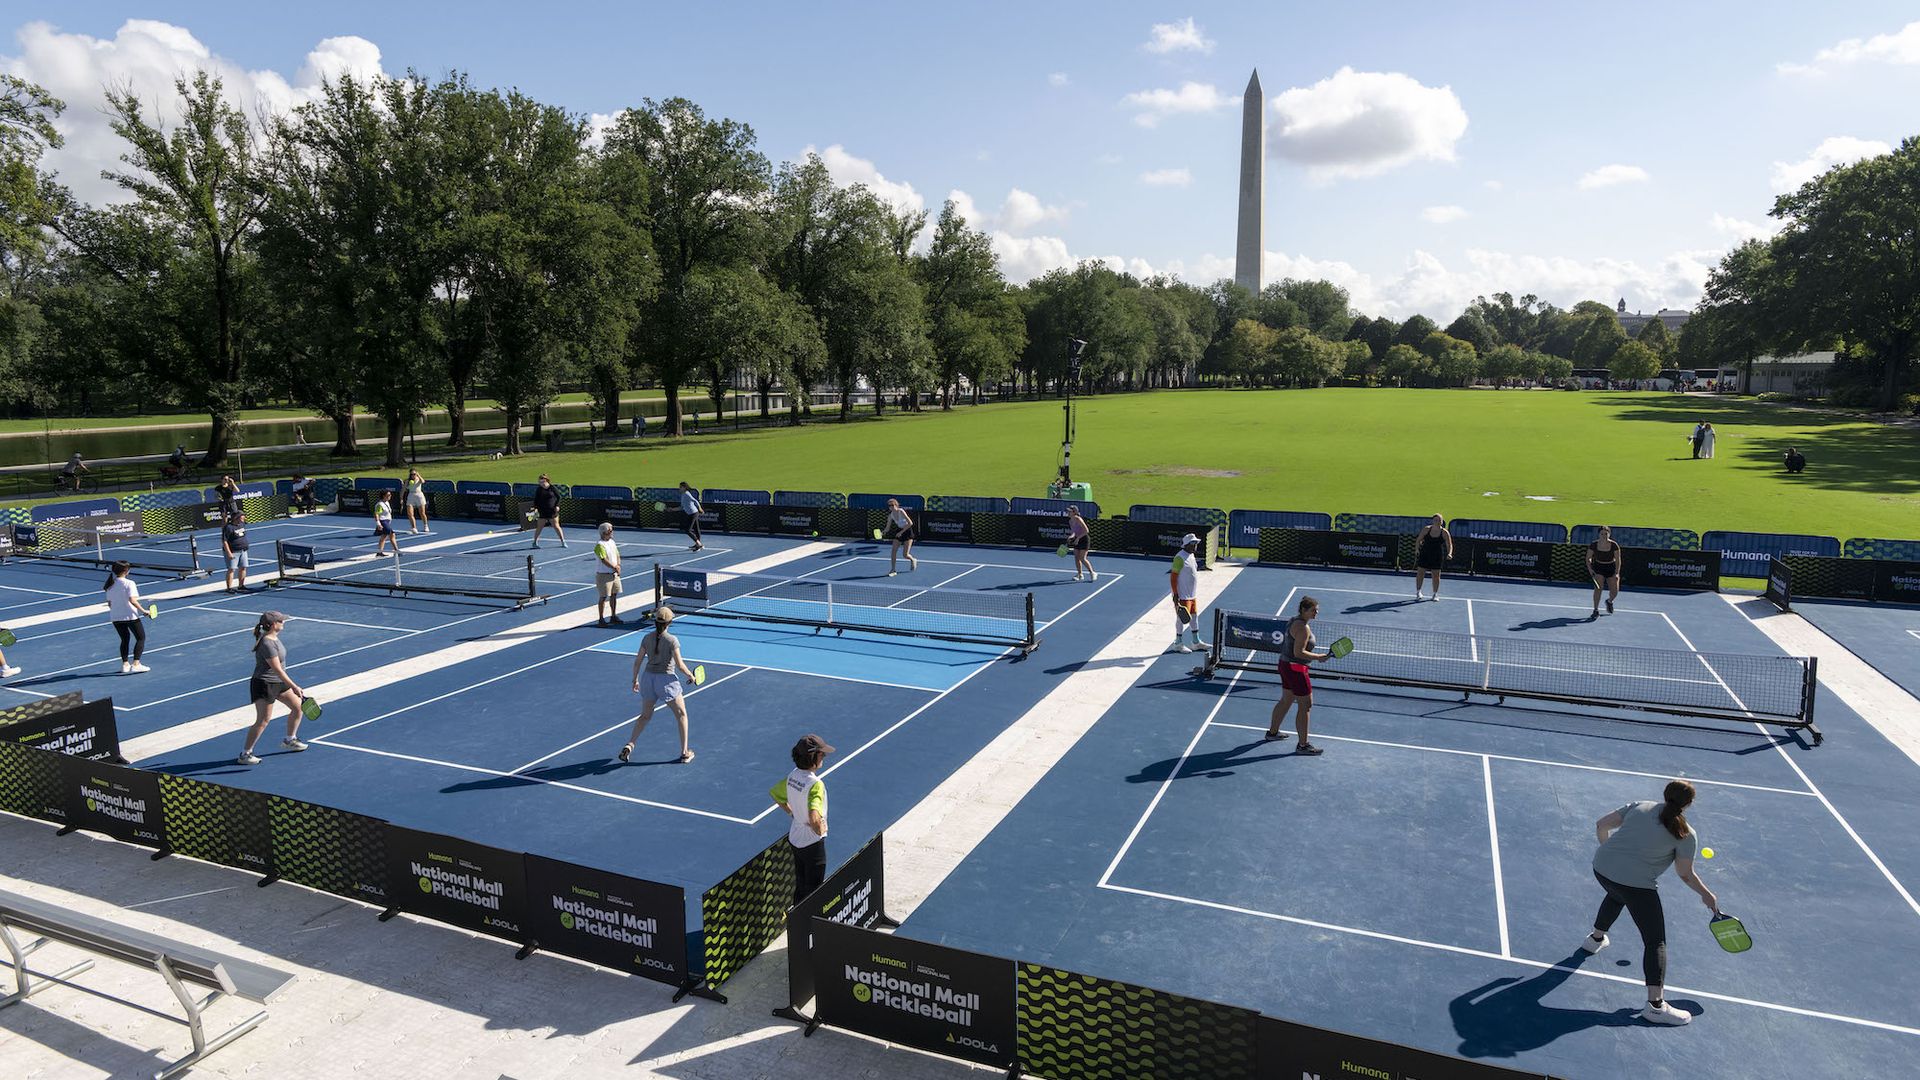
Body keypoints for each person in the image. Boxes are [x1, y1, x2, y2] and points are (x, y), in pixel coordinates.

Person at [1581, 780, 1719, 1027]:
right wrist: (1706, 895)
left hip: (1601, 868)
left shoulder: (1639, 806)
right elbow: (1685, 874)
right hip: (1636, 886)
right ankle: (1655, 1006)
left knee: (1617, 893)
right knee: (1655, 941)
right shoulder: (1686, 834)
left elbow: (1601, 825)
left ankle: (1595, 939)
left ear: (1665, 794)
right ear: (1689, 804)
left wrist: (1611, 853)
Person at [621, 606, 696, 764]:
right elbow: (680, 665)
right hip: (666, 681)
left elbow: (637, 662)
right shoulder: (672, 640)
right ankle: (684, 753)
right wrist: (690, 675)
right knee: (682, 715)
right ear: (669, 623)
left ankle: (630, 744)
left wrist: (635, 680)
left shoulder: (646, 638)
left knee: (645, 716)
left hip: (648, 680)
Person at [235, 611, 307, 765]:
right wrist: (294, 686)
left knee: (297, 707)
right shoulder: (267, 643)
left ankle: (290, 740)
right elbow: (277, 670)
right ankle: (245, 754)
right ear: (273, 624)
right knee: (263, 720)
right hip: (264, 684)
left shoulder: (274, 638)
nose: (284, 622)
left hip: (278, 682)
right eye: (281, 621)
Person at [1264, 595, 1333, 755]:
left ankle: (1272, 733)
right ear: (1304, 610)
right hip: (1296, 669)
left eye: (1317, 610)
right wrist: (1319, 657)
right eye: (1313, 610)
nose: (1316, 613)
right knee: (1306, 705)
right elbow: (1298, 652)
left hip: (1285, 665)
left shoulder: (1293, 620)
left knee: (1286, 700)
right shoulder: (1303, 628)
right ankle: (1303, 745)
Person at [771, 734, 834, 904]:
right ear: (812, 757)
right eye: (821, 754)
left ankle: (796, 917)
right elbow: (814, 817)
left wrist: (793, 814)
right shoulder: (815, 784)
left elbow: (776, 794)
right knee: (814, 890)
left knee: (801, 884)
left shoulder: (793, 776)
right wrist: (819, 829)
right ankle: (809, 919)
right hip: (812, 842)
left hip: (796, 836)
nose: (824, 756)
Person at [103, 561, 150, 675]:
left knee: (124, 639)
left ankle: (125, 665)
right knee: (141, 638)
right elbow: (132, 600)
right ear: (126, 571)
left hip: (116, 617)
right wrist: (144, 611)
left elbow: (110, 604)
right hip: (130, 616)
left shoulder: (110, 585)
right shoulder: (130, 583)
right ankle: (136, 664)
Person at [1167, 534, 1208, 654]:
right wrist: (1175, 594)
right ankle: (1178, 643)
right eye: (1193, 543)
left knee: (1194, 617)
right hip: (1182, 595)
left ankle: (1196, 642)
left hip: (1192, 595)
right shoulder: (1179, 558)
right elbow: (1173, 578)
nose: (1195, 546)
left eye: (1196, 543)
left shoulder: (1191, 556)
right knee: (1181, 619)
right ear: (1186, 545)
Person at [1586, 525, 1623, 618]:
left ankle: (1609, 601)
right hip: (1598, 567)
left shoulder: (1614, 545)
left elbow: (1618, 560)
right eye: (1602, 534)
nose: (1604, 536)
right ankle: (1595, 610)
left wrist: (1617, 573)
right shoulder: (1594, 545)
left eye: (1606, 534)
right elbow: (1588, 558)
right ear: (1599, 534)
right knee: (1598, 588)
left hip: (1611, 567)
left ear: (1609, 534)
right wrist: (1590, 569)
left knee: (1614, 591)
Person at [1413, 515, 1453, 600]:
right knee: (1420, 573)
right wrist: (1416, 549)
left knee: (1436, 575)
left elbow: (1449, 544)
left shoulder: (1444, 532)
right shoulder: (1426, 529)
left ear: (1442, 522)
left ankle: (1435, 594)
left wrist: (1450, 553)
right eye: (1435, 520)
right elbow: (1418, 540)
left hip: (1437, 556)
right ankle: (1418, 592)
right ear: (1432, 521)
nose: (1437, 522)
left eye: (1439, 520)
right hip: (1424, 554)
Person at [593, 522, 623, 627]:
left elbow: (617, 555)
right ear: (604, 532)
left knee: (614, 595)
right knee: (603, 597)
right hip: (604, 575)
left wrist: (618, 565)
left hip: (614, 574)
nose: (612, 532)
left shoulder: (612, 542)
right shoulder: (599, 545)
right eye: (610, 530)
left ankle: (613, 616)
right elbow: (603, 559)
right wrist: (615, 567)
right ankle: (601, 619)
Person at [530, 474, 566, 547]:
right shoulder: (539, 489)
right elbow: (536, 499)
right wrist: (535, 508)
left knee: (556, 526)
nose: (541, 483)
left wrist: (557, 506)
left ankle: (563, 541)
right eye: (540, 482)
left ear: (547, 481)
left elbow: (559, 497)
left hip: (552, 511)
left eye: (543, 482)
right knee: (539, 527)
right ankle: (535, 542)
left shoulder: (552, 488)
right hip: (542, 511)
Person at [884, 498, 917, 576]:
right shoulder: (891, 515)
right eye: (889, 506)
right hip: (899, 531)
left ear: (896, 505)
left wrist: (901, 532)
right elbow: (887, 528)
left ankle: (913, 559)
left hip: (907, 531)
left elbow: (910, 523)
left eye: (892, 505)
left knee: (905, 555)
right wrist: (884, 531)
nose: (891, 507)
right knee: (893, 551)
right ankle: (893, 569)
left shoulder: (901, 511)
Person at [221, 511, 251, 594]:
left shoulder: (242, 524)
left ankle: (241, 585)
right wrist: (229, 553)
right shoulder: (228, 527)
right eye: (242, 516)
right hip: (233, 551)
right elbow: (224, 541)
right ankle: (229, 588)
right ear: (236, 518)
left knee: (243, 567)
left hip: (243, 550)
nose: (244, 518)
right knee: (231, 569)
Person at [1066, 504, 1094, 582]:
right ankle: (1080, 574)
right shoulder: (1070, 521)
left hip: (1084, 539)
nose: (1068, 513)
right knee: (1076, 558)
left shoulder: (1078, 519)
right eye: (1068, 511)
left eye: (1070, 511)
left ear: (1074, 512)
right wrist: (1071, 536)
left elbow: (1086, 530)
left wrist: (1078, 538)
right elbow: (1074, 532)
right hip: (1077, 540)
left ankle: (1092, 573)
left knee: (1082, 558)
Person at [678, 481, 704, 552]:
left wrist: (700, 508)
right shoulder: (683, 495)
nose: (679, 488)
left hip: (693, 513)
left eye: (680, 487)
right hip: (692, 513)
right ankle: (698, 544)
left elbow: (695, 501)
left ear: (684, 488)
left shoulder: (687, 494)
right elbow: (681, 507)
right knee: (696, 529)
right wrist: (672, 509)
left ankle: (699, 544)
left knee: (687, 530)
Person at [403, 468, 430, 533]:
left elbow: (423, 481)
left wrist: (418, 475)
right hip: (411, 496)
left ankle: (425, 525)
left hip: (419, 496)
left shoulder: (419, 479)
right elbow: (403, 489)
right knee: (410, 513)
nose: (413, 475)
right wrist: (401, 498)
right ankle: (414, 527)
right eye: (411, 474)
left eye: (414, 474)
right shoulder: (407, 481)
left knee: (422, 513)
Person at [372, 489, 399, 555]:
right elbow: (377, 514)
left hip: (387, 522)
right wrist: (378, 524)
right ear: (384, 496)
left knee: (384, 536)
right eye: (388, 495)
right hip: (383, 521)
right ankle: (396, 551)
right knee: (392, 535)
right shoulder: (380, 504)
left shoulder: (387, 502)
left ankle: (379, 552)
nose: (390, 496)